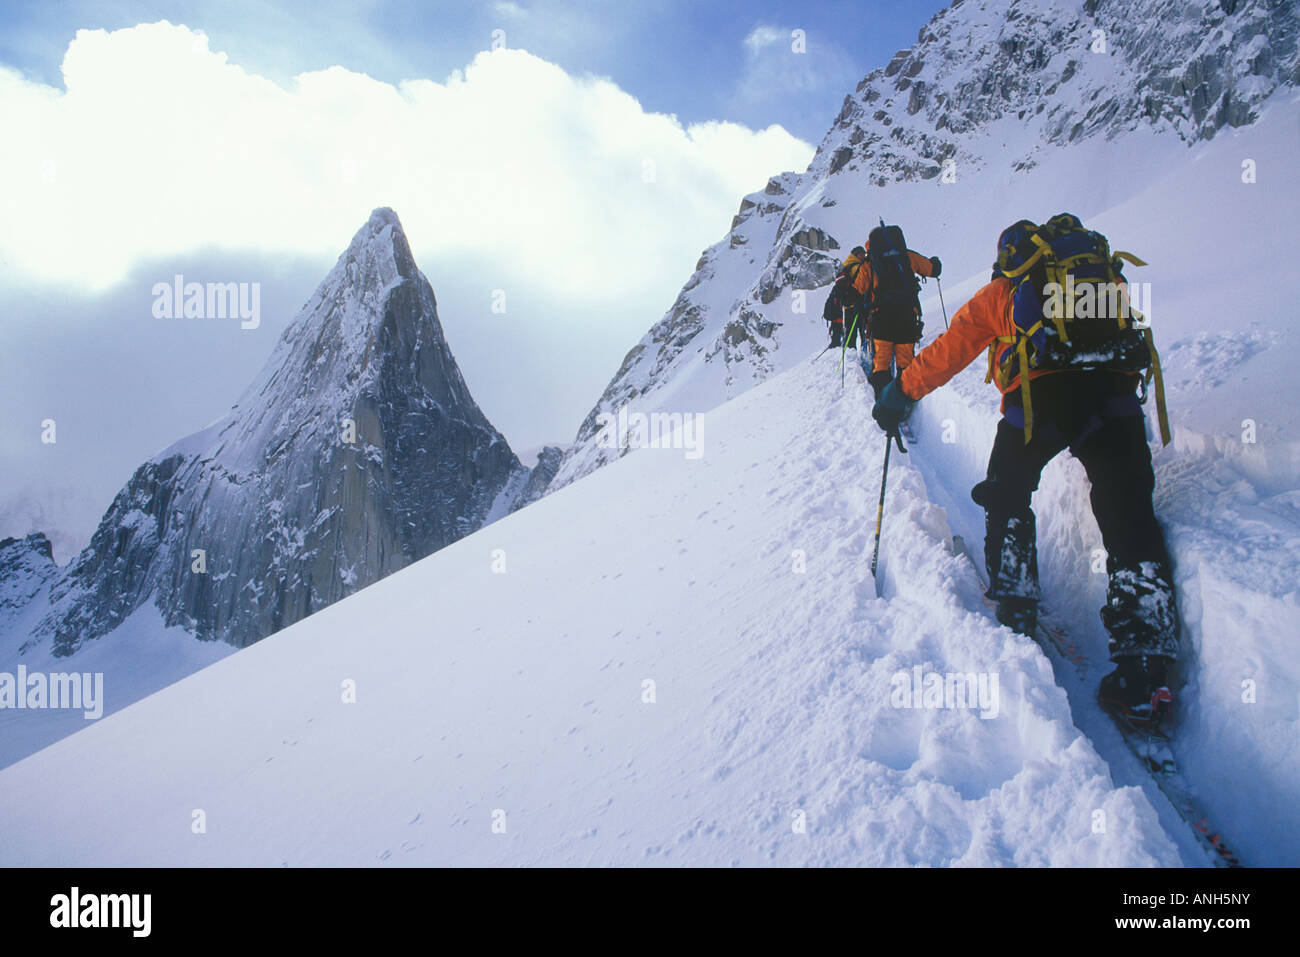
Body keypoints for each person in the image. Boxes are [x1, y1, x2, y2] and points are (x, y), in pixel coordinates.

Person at [870, 217, 1178, 719]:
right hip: (1115, 397)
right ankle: (1146, 670)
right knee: (1129, 517)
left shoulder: (1003, 292)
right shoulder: (1097, 274)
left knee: (1007, 490)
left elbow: (951, 351)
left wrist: (900, 392)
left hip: (1040, 403)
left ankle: (1016, 600)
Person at [851, 225, 941, 398]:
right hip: (907, 315)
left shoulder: (870, 264)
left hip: (881, 318)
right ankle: (905, 401)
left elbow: (856, 291)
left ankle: (884, 401)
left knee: (882, 362)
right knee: (905, 361)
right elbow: (932, 269)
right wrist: (935, 263)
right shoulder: (906, 256)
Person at [823, 246, 867, 349]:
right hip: (857, 304)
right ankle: (862, 357)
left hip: (847, 306)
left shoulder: (846, 265)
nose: (864, 256)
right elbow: (862, 285)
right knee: (862, 332)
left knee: (850, 334)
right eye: (862, 254)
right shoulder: (857, 267)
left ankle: (849, 354)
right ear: (857, 255)